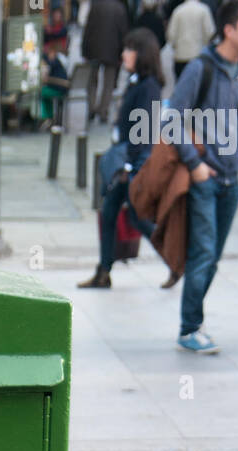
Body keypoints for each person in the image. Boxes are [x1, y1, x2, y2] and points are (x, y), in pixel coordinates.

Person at [166, 0, 238, 352]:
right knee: (203, 253)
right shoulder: (199, 69)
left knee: (213, 257)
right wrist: (194, 164)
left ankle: (194, 322)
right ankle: (189, 328)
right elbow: (171, 118)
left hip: (231, 183)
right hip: (204, 180)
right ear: (229, 30)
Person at [78, 28, 164, 286]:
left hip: (133, 163)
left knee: (138, 217)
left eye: (129, 49)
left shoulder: (148, 87)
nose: (124, 54)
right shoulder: (137, 81)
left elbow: (144, 132)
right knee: (108, 212)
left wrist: (130, 166)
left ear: (142, 54)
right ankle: (103, 271)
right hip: (125, 161)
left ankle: (176, 259)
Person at [82, 0, 130, 122]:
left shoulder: (96, 5)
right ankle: (103, 111)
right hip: (112, 50)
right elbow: (123, 31)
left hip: (94, 49)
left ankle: (91, 108)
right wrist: (122, 50)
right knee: (108, 82)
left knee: (92, 80)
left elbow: (88, 28)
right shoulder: (120, 8)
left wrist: (85, 49)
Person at [168, 0, 216, 77]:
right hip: (199, 55)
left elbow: (171, 35)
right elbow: (210, 33)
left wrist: (176, 47)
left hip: (180, 56)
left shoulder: (178, 10)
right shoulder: (204, 10)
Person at [40, 38, 71, 123]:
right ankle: (48, 117)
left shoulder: (54, 62)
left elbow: (46, 77)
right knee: (44, 92)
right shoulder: (59, 62)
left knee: (41, 92)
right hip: (62, 87)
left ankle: (46, 117)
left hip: (59, 88)